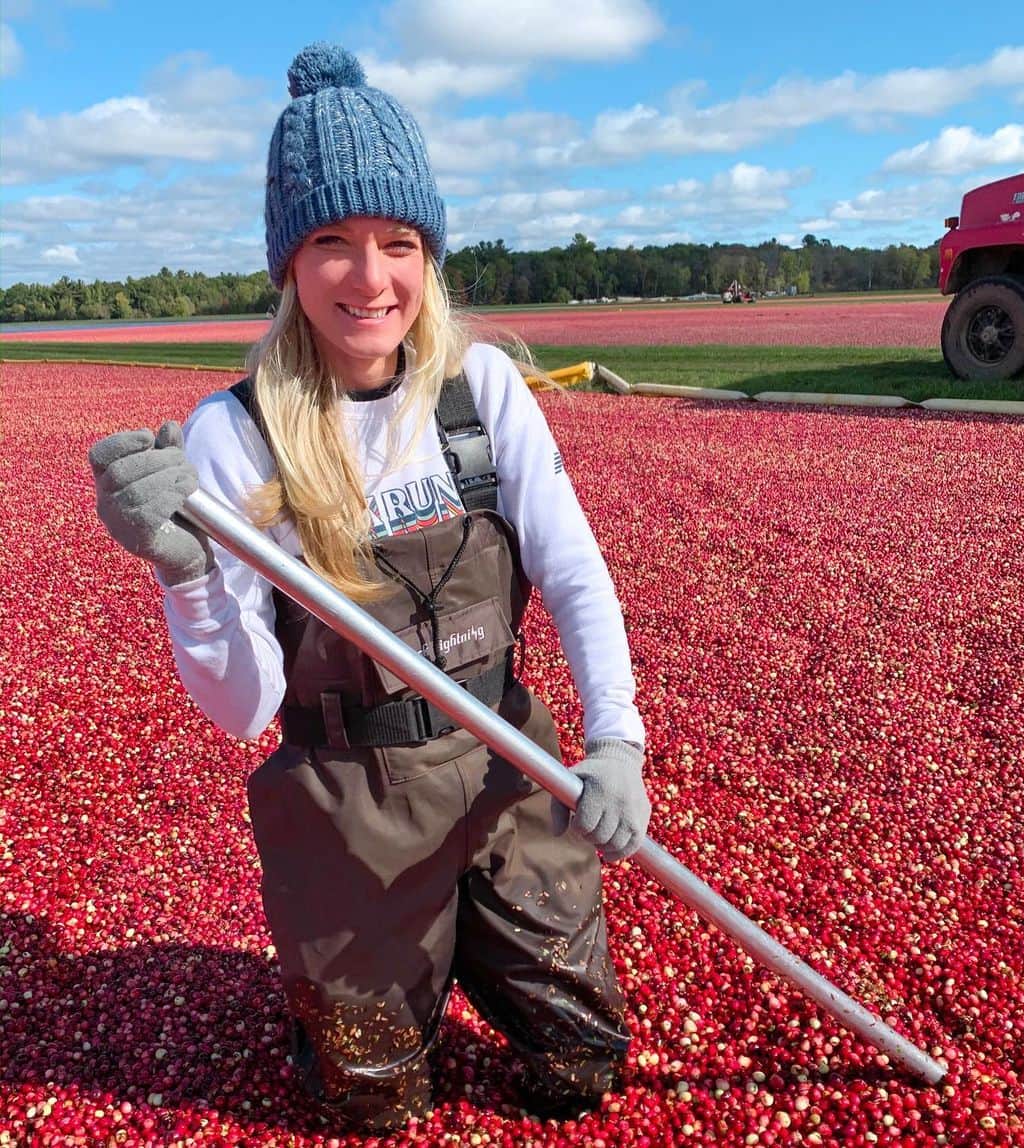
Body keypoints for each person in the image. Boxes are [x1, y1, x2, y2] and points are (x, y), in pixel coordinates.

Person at [88, 42, 651, 1132]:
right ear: (288, 262)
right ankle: (368, 980)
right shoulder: (234, 433)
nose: (370, 276)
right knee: (371, 1100)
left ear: (429, 253)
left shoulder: (479, 389)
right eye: (332, 242)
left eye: (398, 241)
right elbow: (245, 707)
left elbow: (575, 570)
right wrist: (187, 569)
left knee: (583, 1062)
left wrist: (617, 737)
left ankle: (479, 946)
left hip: (503, 755)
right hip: (351, 791)